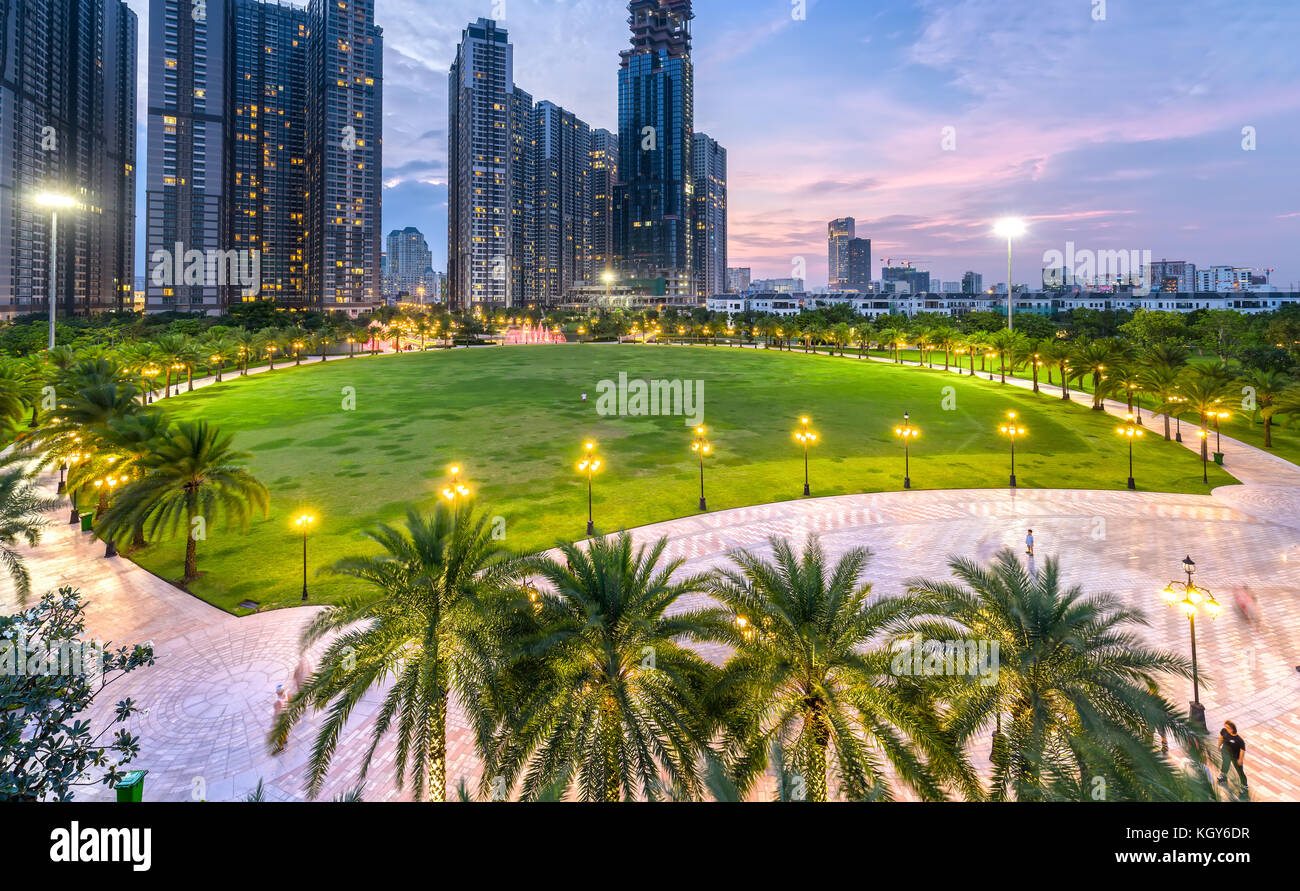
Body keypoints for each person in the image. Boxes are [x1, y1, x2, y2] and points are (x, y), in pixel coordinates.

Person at [1217, 721, 1247, 791]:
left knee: (1240, 771)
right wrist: (1219, 746)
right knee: (1225, 764)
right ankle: (1223, 775)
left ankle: (1244, 786)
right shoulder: (1224, 731)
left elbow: (1242, 750)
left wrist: (1240, 759)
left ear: (1232, 729)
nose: (1226, 729)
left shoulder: (1239, 740)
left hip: (1235, 756)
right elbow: (1221, 738)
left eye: (1228, 728)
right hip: (1225, 752)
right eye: (1225, 727)